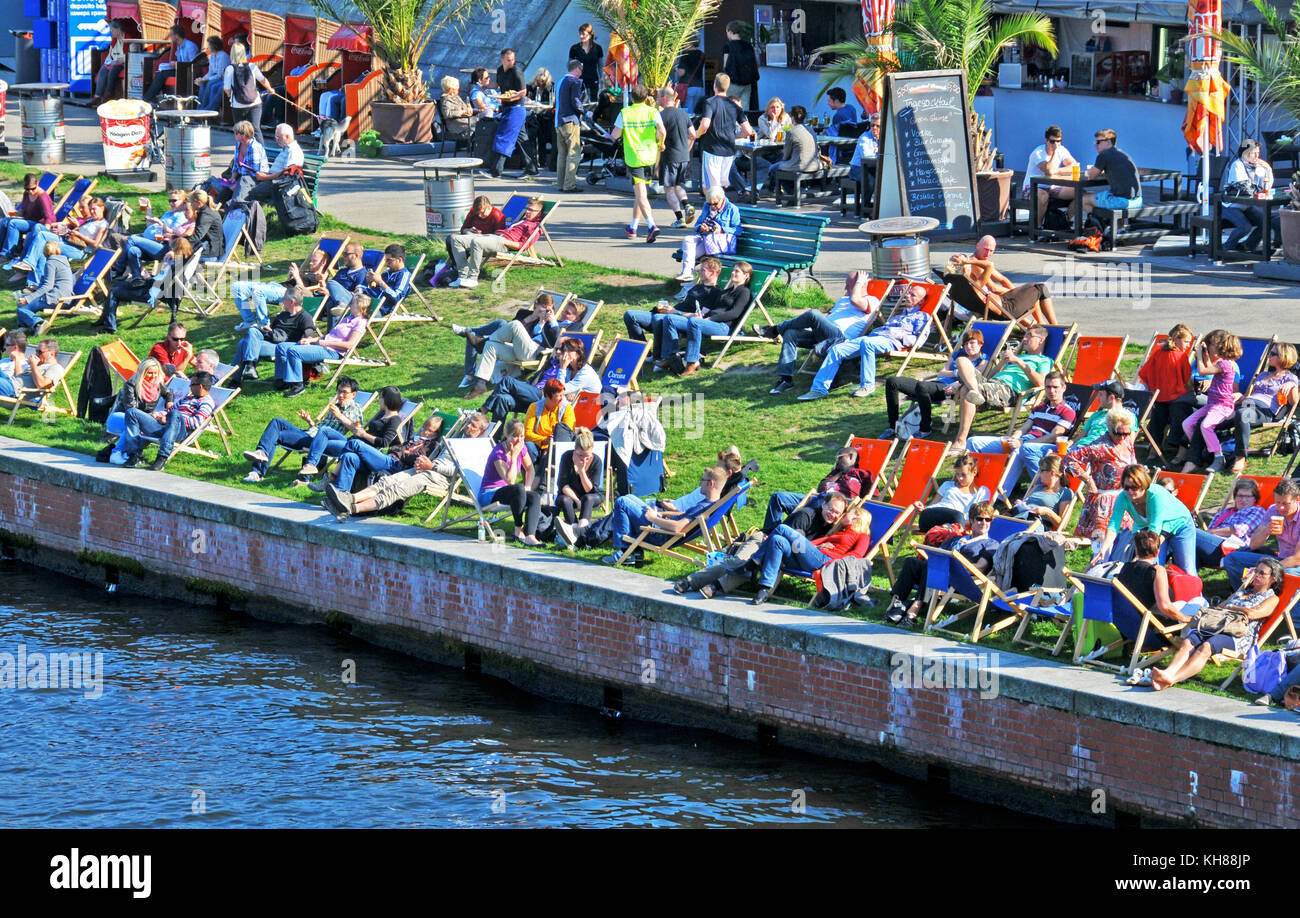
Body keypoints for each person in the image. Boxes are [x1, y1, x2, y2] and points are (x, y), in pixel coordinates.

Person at [326, 411, 492, 521]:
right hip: (427, 468)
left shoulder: (475, 447)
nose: (468, 426)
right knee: (386, 482)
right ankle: (348, 498)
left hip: (440, 477)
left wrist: (432, 467)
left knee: (396, 490)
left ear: (481, 431)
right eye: (469, 422)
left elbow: (458, 472)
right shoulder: (459, 436)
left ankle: (351, 510)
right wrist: (425, 462)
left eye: (473, 426)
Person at [1149, 558, 1283, 691]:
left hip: (1237, 636)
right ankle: (1168, 673)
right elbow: (1219, 607)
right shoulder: (1242, 591)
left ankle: (1172, 679)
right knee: (1187, 642)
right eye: (1255, 571)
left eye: (1262, 573)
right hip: (1217, 626)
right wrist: (1235, 598)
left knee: (1206, 647)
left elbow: (1253, 614)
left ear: (1273, 579)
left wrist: (1233, 607)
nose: (1256, 575)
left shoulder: (1271, 598)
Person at [753, 270, 881, 396]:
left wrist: (859, 282)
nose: (845, 286)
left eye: (849, 284)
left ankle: (774, 330)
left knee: (813, 314)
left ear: (860, 285)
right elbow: (828, 319)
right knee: (791, 333)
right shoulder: (843, 300)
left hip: (840, 339)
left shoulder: (872, 300)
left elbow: (855, 300)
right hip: (822, 335)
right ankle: (786, 379)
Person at [800, 281, 931, 401]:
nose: (908, 296)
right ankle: (818, 389)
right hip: (874, 337)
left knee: (867, 344)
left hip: (891, 341)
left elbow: (919, 340)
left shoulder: (922, 317)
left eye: (913, 295)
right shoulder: (898, 315)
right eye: (908, 293)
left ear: (921, 302)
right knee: (837, 349)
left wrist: (902, 337)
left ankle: (868, 385)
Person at [884, 502, 999, 627]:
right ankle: (898, 604)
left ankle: (913, 611)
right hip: (940, 572)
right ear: (971, 520)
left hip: (961, 579)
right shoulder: (958, 538)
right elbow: (938, 553)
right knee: (911, 562)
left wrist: (953, 567)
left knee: (933, 567)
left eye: (988, 520)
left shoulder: (991, 544)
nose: (984, 523)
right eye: (979, 519)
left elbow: (980, 567)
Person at [948, 324, 1055, 453]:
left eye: (1029, 336)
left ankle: (961, 441)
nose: (1024, 339)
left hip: (1009, 391)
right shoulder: (1018, 356)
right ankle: (975, 391)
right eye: (1025, 335)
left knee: (966, 390)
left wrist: (1018, 361)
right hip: (991, 383)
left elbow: (1041, 382)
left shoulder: (1044, 360)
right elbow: (988, 377)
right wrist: (1002, 363)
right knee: (962, 360)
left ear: (1041, 340)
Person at [967, 370, 1076, 490]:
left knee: (1019, 450)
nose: (1051, 391)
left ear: (1063, 388)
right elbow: (1024, 428)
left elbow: (1053, 436)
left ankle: (1001, 494)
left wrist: (1022, 443)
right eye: (1048, 387)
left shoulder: (1068, 412)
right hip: (1023, 440)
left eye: (1055, 387)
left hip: (1041, 446)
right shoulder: (1039, 408)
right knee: (973, 441)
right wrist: (1014, 437)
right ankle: (974, 483)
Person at [243, 376, 366, 481]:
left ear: (353, 394)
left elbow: (357, 429)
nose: (340, 395)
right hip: (310, 434)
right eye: (339, 391)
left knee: (277, 435)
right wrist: (310, 421)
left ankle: (257, 473)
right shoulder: (336, 405)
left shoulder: (355, 408)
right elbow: (319, 428)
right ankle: (261, 453)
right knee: (277, 422)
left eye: (345, 392)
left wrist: (339, 415)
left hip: (320, 442)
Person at [745, 505, 871, 605]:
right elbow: (810, 544)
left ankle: (751, 564)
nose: (843, 515)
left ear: (856, 517)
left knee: (783, 528)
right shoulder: (839, 533)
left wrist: (832, 560)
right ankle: (764, 590)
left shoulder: (862, 536)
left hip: (824, 562)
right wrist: (816, 548)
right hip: (810, 558)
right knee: (777, 540)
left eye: (848, 512)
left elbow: (856, 556)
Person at [602, 466, 728, 565]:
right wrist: (662, 513)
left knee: (622, 502)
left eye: (703, 480)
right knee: (629, 498)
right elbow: (684, 515)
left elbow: (677, 527)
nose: (700, 482)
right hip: (662, 526)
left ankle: (626, 552)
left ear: (711, 484)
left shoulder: (703, 507)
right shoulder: (712, 504)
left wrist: (653, 518)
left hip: (661, 534)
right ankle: (634, 552)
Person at [882, 327, 987, 440]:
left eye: (972, 343)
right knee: (892, 381)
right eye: (966, 344)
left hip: (950, 389)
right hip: (935, 384)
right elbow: (941, 373)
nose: (968, 346)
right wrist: (957, 372)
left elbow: (975, 378)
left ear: (980, 344)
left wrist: (957, 381)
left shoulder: (983, 359)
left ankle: (925, 429)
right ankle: (892, 427)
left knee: (923, 386)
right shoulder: (957, 355)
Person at [652, 261, 753, 375]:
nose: (733, 273)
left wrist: (709, 319)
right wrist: (703, 315)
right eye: (733, 270)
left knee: (695, 322)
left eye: (737, 271)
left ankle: (692, 361)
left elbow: (734, 313)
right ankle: (669, 357)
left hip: (723, 326)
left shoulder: (744, 292)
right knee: (669, 319)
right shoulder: (727, 291)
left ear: (746, 275)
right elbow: (713, 308)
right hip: (709, 321)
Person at [1093, 464, 1197, 573]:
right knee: (1151, 568)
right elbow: (1114, 524)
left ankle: (1192, 589)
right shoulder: (1123, 497)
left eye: (1134, 487)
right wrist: (1103, 549)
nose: (1130, 491)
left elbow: (1155, 528)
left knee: (1187, 569)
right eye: (1126, 487)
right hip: (1149, 529)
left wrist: (1142, 555)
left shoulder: (1155, 495)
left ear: (1144, 485)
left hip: (1179, 525)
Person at [944, 235, 1059, 327]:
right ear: (978, 245)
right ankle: (1054, 327)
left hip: (997, 305)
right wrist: (968, 262)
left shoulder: (961, 285)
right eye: (986, 249)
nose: (988, 254)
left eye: (991, 251)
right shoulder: (974, 275)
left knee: (1026, 293)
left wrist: (1015, 291)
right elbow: (992, 282)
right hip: (1002, 307)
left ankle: (1039, 325)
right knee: (1039, 288)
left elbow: (1003, 279)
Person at [482, 335, 599, 424]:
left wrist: (562, 368)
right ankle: (494, 437)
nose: (563, 354)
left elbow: (558, 390)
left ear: (578, 353)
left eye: (568, 350)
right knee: (503, 399)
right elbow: (560, 390)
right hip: (545, 399)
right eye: (564, 350)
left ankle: (482, 412)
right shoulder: (569, 369)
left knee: (507, 380)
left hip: (564, 409)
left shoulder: (585, 372)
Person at [315, 386, 410, 494]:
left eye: (381, 398)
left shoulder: (394, 420)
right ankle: (338, 495)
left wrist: (364, 434)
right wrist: (361, 431)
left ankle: (331, 478)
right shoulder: (382, 415)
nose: (379, 400)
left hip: (370, 453)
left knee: (352, 443)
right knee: (348, 456)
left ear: (386, 400)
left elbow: (384, 442)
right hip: (358, 445)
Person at [1063, 406, 1137, 541]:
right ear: (1109, 428)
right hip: (1104, 504)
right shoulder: (1100, 447)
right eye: (1118, 433)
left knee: (1123, 546)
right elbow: (1068, 460)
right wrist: (1087, 480)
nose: (1122, 437)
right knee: (1101, 548)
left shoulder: (1127, 442)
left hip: (1125, 499)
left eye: (1126, 433)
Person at [1224, 342, 1299, 474]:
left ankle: (1241, 456)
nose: (1269, 356)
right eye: (1270, 353)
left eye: (1273, 354)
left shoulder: (1290, 378)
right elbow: (1251, 396)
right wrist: (1241, 396)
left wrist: (1291, 385)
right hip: (1248, 404)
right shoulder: (1263, 375)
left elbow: (1295, 402)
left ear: (1284, 357)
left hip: (1264, 410)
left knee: (1243, 414)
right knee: (1211, 416)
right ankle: (1194, 456)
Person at [273, 295, 370, 397]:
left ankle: (297, 386)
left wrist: (324, 343)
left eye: (353, 302)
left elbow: (349, 345)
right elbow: (329, 336)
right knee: (282, 347)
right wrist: (311, 340)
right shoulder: (348, 318)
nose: (350, 304)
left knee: (294, 351)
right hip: (323, 345)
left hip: (333, 351)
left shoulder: (360, 322)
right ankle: (282, 381)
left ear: (360, 306)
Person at [761, 447, 872, 532]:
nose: (837, 461)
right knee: (778, 497)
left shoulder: (863, 474)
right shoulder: (835, 472)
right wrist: (840, 472)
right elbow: (821, 487)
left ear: (851, 456)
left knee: (814, 509)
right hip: (820, 498)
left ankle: (778, 535)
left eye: (840, 458)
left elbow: (871, 498)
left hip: (838, 506)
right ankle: (768, 533)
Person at [448, 196, 544, 289]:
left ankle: (472, 278)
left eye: (531, 210)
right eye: (526, 208)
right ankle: (463, 276)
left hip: (503, 242)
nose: (527, 212)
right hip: (495, 237)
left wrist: (505, 241)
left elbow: (523, 246)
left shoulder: (535, 227)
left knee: (477, 242)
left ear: (538, 213)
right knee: (456, 240)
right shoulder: (522, 221)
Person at [610, 84, 666, 243]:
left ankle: (651, 225)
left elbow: (615, 135)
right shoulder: (653, 112)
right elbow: (662, 130)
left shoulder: (625, 113)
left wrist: (609, 137)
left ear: (632, 97)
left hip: (634, 157)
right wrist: (661, 143)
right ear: (646, 97)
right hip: (650, 156)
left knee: (641, 194)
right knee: (640, 194)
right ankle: (633, 227)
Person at [1180, 331, 1241, 473]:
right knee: (1187, 424)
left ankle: (1219, 457)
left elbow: (1202, 371)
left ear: (1223, 348)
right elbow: (1208, 367)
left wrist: (1200, 355)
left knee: (1206, 426)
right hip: (1211, 404)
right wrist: (1206, 354)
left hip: (1222, 406)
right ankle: (1205, 450)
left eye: (1212, 345)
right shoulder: (1222, 363)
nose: (1210, 347)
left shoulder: (1227, 364)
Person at [477, 419, 544, 545]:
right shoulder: (498, 453)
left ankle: (530, 535)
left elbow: (530, 469)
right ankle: (518, 531)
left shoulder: (522, 447)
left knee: (534, 496)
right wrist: (514, 457)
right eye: (515, 436)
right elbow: (510, 480)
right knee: (518, 488)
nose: (519, 440)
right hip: (490, 494)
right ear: (507, 435)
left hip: (510, 493)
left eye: (522, 436)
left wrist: (528, 487)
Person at [231, 245, 329, 331]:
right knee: (236, 286)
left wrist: (297, 276)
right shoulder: (308, 272)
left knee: (258, 291)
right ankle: (250, 321)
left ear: (323, 262)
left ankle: (264, 324)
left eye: (314, 261)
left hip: (288, 293)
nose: (311, 263)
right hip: (275, 286)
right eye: (311, 260)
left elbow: (306, 294)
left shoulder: (319, 278)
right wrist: (293, 276)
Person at [231, 287, 317, 384]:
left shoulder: (305, 317)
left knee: (243, 343)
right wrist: (267, 329)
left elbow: (309, 336)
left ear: (292, 302)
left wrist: (306, 341)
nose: (282, 301)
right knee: (252, 331)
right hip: (271, 341)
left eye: (284, 299)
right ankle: (249, 368)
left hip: (282, 347)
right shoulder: (283, 315)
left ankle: (236, 378)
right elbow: (273, 331)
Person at [1222, 478, 1300, 582]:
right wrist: (1266, 531)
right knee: (1232, 559)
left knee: (1286, 574)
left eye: (1285, 503)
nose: (1280, 508)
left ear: (1297, 500)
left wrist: (1268, 569)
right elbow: (1254, 545)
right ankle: (1245, 594)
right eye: (1278, 502)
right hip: (1281, 559)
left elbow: (1297, 559)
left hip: (1296, 565)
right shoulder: (1273, 510)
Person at [628, 255, 720, 343]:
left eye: (702, 270)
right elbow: (684, 305)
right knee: (630, 315)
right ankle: (644, 352)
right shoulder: (697, 287)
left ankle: (657, 355)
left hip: (679, 320)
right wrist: (667, 308)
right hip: (670, 315)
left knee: (656, 318)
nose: (699, 272)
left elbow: (701, 316)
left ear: (712, 272)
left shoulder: (714, 292)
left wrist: (675, 312)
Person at [1116, 530, 1196, 625]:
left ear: (1136, 550)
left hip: (1129, 624)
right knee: (1199, 602)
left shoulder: (1125, 567)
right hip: (1153, 626)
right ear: (1157, 552)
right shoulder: (1157, 571)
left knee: (1182, 603)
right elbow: (1164, 606)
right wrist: (1186, 619)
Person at [1137, 323, 1194, 455]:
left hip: (1158, 398)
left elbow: (1143, 374)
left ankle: (1153, 450)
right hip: (1175, 397)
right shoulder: (1181, 356)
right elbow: (1187, 382)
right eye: (1185, 342)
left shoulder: (1158, 353)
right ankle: (1176, 443)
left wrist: (1151, 390)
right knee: (1182, 409)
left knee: (1158, 419)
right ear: (1175, 339)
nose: (1187, 345)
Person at [102, 356, 169, 465]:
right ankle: (116, 453)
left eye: (155, 373)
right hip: (119, 417)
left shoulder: (158, 385)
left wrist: (169, 402)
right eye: (150, 373)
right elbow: (130, 408)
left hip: (137, 421)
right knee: (135, 425)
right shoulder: (131, 385)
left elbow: (168, 393)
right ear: (142, 373)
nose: (153, 376)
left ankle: (128, 455)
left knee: (138, 426)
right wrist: (149, 417)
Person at [144, 371, 215, 471]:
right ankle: (132, 454)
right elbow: (169, 410)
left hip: (181, 433)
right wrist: (157, 415)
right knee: (134, 413)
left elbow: (196, 422)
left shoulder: (207, 402)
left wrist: (170, 419)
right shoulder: (187, 398)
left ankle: (162, 457)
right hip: (167, 427)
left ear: (200, 386)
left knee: (175, 414)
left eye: (192, 384)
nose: (189, 386)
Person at [695, 75, 754, 194]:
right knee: (720, 188)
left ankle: (713, 211)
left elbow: (705, 124)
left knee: (709, 187)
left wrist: (697, 134)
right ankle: (720, 209)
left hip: (712, 150)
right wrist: (735, 136)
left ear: (714, 86)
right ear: (727, 87)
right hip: (728, 152)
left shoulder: (709, 102)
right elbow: (748, 130)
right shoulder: (734, 105)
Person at [486, 48, 539, 178]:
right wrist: (485, 86)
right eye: (509, 60)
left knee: (504, 137)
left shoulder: (517, 72)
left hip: (516, 107)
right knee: (522, 139)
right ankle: (532, 168)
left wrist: (511, 98)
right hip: (507, 108)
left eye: (513, 60)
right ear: (502, 60)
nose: (511, 62)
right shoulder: (500, 70)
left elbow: (523, 92)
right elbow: (498, 85)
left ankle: (496, 170)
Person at [1195, 477, 1270, 568]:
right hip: (1213, 547)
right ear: (1235, 497)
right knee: (1183, 546)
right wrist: (1208, 533)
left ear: (1255, 498)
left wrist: (1209, 532)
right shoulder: (1224, 513)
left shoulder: (1257, 511)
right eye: (1240, 496)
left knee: (1188, 532)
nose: (1243, 499)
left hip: (1232, 549)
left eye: (1248, 496)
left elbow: (1239, 530)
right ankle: (1186, 579)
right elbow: (1210, 531)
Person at [1219, 138, 1279, 252]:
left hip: (1246, 206)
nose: (1256, 156)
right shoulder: (1237, 165)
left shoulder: (1258, 166)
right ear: (1245, 153)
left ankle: (1247, 246)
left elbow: (1266, 186)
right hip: (1231, 205)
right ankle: (1226, 247)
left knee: (1265, 222)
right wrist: (1258, 186)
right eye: (1253, 153)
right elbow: (1244, 187)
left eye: (1258, 153)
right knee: (1245, 227)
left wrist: (1268, 170)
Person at [672, 186, 740, 283]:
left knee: (689, 255)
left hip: (717, 243)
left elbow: (738, 230)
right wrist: (701, 227)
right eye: (710, 204)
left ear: (722, 199)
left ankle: (687, 283)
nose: (712, 206)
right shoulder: (706, 206)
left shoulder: (732, 209)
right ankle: (688, 275)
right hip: (705, 238)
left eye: (715, 204)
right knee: (688, 239)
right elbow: (697, 224)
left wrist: (722, 229)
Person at [121, 189, 194, 279]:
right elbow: (150, 226)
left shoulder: (182, 215)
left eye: (174, 200)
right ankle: (138, 279)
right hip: (151, 243)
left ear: (183, 201)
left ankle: (119, 267)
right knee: (133, 250)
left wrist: (160, 222)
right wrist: (148, 208)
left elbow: (173, 232)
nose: (171, 203)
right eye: (169, 201)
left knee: (131, 239)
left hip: (163, 246)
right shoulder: (168, 213)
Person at [913, 452, 991, 532]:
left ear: (974, 472)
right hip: (931, 517)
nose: (959, 478)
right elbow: (932, 505)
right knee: (955, 516)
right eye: (957, 474)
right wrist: (921, 508)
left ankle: (945, 530)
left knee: (958, 516)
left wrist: (955, 525)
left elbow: (980, 518)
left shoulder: (982, 492)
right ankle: (946, 528)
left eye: (963, 475)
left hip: (956, 523)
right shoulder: (947, 485)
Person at [553, 426, 605, 546]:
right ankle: (574, 532)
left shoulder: (596, 461)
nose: (584, 459)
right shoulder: (567, 457)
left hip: (592, 495)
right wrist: (577, 500)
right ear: (575, 449)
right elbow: (563, 485)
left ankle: (581, 532)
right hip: (569, 494)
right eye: (580, 455)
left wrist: (581, 470)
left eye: (587, 456)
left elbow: (590, 490)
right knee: (565, 500)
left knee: (588, 498)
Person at [1021, 125, 1081, 222]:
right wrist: (1055, 153)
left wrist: (1057, 171)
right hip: (1033, 187)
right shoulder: (1038, 153)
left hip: (1053, 187)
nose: (1056, 144)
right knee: (1043, 196)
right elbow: (1048, 170)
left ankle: (1066, 220)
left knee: (1080, 193)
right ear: (1046, 140)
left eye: (1058, 141)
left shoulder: (1062, 149)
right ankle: (1037, 228)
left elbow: (1074, 166)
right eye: (1052, 141)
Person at [656, 88, 696, 226]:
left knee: (669, 188)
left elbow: (658, 137)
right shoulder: (683, 114)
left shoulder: (661, 115)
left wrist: (656, 164)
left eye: (658, 97)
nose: (657, 100)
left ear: (665, 98)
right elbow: (693, 134)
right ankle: (687, 205)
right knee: (678, 185)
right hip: (684, 156)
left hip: (669, 156)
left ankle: (680, 218)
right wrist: (687, 148)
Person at [14, 241, 72, 334]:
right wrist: (37, 287)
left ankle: (38, 323)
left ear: (45, 252)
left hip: (56, 298)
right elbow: (55, 282)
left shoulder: (50, 263)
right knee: (23, 299)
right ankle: (24, 326)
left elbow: (48, 286)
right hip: (66, 297)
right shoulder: (63, 261)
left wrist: (28, 299)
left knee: (22, 306)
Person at [1082, 128, 1142, 216]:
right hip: (1137, 201)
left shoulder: (1103, 155)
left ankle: (1098, 227)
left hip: (1122, 202)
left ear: (1109, 142)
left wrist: (1090, 170)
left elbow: (1091, 176)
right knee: (1111, 194)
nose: (1095, 145)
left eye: (1098, 142)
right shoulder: (1123, 154)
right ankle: (1120, 229)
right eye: (1095, 143)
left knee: (1084, 199)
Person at [765, 105, 819, 198]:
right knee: (782, 167)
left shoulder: (791, 131)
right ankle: (788, 193)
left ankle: (787, 193)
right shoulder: (810, 129)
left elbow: (786, 155)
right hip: (815, 164)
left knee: (774, 168)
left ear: (792, 117)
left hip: (800, 165)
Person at [223, 42, 273, 143]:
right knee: (256, 129)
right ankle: (261, 154)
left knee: (239, 130)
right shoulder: (251, 66)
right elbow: (263, 80)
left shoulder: (230, 69)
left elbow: (227, 88)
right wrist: (270, 89)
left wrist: (229, 95)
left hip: (237, 104)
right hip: (255, 102)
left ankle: (241, 155)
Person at [1010, 453, 1075, 528]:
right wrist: (1020, 503)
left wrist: (1047, 512)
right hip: (1020, 518)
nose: (1039, 474)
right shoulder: (1037, 487)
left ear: (1052, 472)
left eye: (1041, 470)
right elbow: (1024, 502)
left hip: (1037, 524)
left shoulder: (1065, 493)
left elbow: (1062, 525)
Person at [246, 124, 305, 203]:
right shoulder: (286, 148)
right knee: (244, 181)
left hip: (278, 184)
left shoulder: (293, 151)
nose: (276, 140)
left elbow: (286, 174)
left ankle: (240, 211)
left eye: (278, 137)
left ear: (287, 137)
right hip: (271, 180)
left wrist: (265, 177)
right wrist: (265, 174)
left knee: (251, 193)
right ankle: (233, 208)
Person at [523, 377, 576, 464]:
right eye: (558, 396)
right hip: (538, 445)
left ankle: (538, 477)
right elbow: (527, 434)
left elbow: (568, 433)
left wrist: (550, 443)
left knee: (550, 452)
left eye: (563, 395)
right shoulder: (534, 407)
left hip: (557, 446)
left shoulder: (567, 409)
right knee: (527, 447)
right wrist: (544, 440)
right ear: (547, 396)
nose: (562, 398)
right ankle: (529, 475)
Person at [350, 242, 410, 318]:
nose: (386, 263)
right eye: (385, 260)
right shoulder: (386, 273)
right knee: (333, 290)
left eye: (389, 260)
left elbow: (396, 297)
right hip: (365, 302)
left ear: (399, 260)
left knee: (334, 289)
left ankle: (342, 307)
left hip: (377, 309)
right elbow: (377, 290)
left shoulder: (404, 275)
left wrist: (380, 282)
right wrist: (370, 281)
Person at [143, 25, 199, 103]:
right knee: (160, 73)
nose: (170, 37)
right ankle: (152, 98)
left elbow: (193, 64)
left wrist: (177, 64)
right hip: (179, 70)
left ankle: (147, 98)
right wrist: (175, 64)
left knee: (162, 75)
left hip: (188, 73)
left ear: (176, 36)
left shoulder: (190, 46)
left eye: (171, 34)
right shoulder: (179, 46)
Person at [555, 61, 587, 194]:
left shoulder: (559, 81)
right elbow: (575, 101)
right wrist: (585, 111)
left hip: (558, 121)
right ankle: (569, 185)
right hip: (570, 120)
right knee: (573, 153)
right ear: (578, 69)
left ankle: (561, 183)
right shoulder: (575, 82)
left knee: (562, 154)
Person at [221, 120, 270, 206]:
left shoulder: (254, 148)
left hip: (253, 179)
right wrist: (233, 178)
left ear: (243, 135)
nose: (234, 135)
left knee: (237, 191)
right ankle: (217, 211)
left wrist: (237, 184)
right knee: (225, 191)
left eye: (236, 133)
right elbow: (236, 164)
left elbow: (254, 172)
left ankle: (232, 210)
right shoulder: (239, 144)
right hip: (242, 177)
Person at [0, 334, 62, 402]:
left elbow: (42, 384)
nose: (36, 354)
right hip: (10, 381)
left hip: (15, 390)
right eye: (36, 351)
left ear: (52, 354)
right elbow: (19, 376)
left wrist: (33, 365)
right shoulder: (38, 365)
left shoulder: (56, 367)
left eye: (39, 352)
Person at [721, 21, 759, 110]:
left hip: (733, 81)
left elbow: (725, 65)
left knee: (730, 106)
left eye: (727, 32)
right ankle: (743, 122)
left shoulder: (728, 46)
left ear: (730, 31)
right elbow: (755, 62)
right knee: (744, 107)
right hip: (747, 82)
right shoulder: (748, 45)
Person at [526, 68, 556, 170]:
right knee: (535, 138)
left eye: (543, 81)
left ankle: (544, 161)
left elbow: (552, 102)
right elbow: (526, 99)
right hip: (534, 115)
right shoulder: (530, 87)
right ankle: (537, 161)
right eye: (539, 81)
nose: (541, 83)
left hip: (546, 116)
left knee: (545, 137)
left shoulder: (551, 87)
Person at [92, 20, 127, 105]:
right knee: (103, 69)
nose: (111, 32)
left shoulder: (127, 38)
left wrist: (118, 61)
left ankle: (108, 93)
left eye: (112, 30)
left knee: (114, 69)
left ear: (118, 30)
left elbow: (128, 54)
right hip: (116, 61)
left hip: (125, 63)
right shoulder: (115, 40)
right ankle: (97, 96)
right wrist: (109, 61)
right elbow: (111, 53)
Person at [569, 23, 603, 102]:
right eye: (580, 34)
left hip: (593, 79)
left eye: (583, 34)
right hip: (578, 80)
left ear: (590, 35)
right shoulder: (574, 48)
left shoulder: (597, 48)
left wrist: (602, 80)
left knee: (593, 102)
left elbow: (600, 66)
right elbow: (569, 65)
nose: (581, 36)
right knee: (578, 101)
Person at [438, 75, 475, 147]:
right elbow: (447, 114)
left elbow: (465, 108)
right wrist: (462, 112)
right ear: (451, 89)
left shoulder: (457, 98)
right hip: (458, 126)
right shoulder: (446, 100)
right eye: (457, 89)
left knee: (484, 119)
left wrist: (470, 110)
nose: (458, 90)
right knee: (482, 124)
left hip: (465, 121)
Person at [196, 36, 230, 112]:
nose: (207, 47)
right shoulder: (212, 56)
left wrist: (207, 79)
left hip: (223, 78)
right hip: (216, 78)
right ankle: (199, 108)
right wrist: (202, 79)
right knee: (203, 84)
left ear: (214, 45)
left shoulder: (222, 56)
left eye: (209, 45)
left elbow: (220, 75)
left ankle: (205, 109)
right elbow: (210, 72)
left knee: (209, 84)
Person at [848, 115, 879, 186]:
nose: (874, 128)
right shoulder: (864, 137)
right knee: (870, 181)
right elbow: (867, 157)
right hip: (858, 168)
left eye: (878, 126)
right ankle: (866, 198)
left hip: (874, 168)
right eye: (872, 125)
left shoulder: (885, 137)